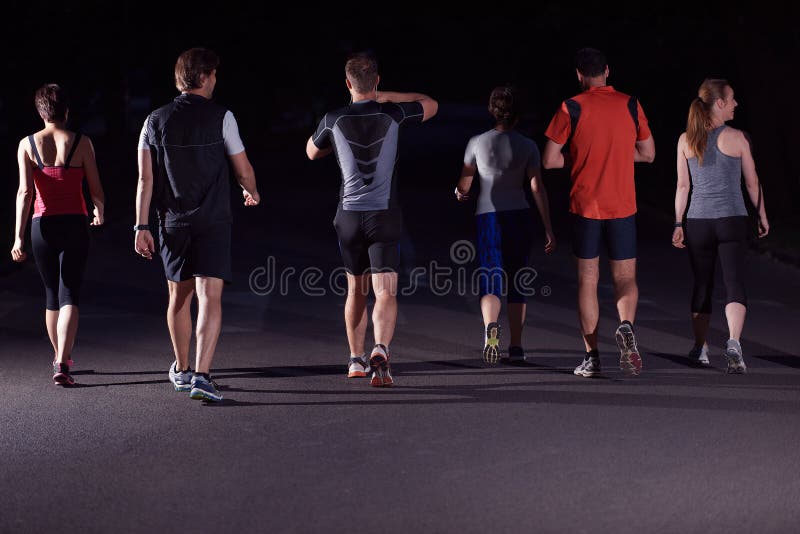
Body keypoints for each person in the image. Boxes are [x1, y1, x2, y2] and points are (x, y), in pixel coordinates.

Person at [135, 47, 260, 402]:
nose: (216, 80)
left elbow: (145, 180)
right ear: (204, 77)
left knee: (179, 297)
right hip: (213, 220)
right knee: (210, 297)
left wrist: (140, 226)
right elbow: (242, 168)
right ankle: (202, 377)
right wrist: (251, 190)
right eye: (214, 74)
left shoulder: (153, 120)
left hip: (172, 223)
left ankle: (182, 368)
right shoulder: (223, 117)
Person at [306, 52, 437, 387]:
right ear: (377, 81)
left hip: (349, 216)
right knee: (385, 292)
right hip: (384, 215)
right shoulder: (393, 113)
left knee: (356, 290)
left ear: (347, 84)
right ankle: (381, 348)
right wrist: (387, 96)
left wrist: (335, 144)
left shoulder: (333, 118)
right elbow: (431, 103)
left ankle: (355, 359)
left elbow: (311, 151)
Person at [542, 47, 655, 378]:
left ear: (579, 75)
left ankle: (592, 357)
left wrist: (582, 156)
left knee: (588, 281)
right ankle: (626, 325)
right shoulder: (631, 104)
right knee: (625, 278)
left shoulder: (571, 107)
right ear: (607, 71)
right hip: (622, 205)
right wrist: (616, 153)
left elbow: (549, 160)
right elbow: (648, 154)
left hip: (586, 207)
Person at [11, 83, 105, 386]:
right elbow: (95, 187)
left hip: (42, 226)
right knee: (70, 294)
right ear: (66, 110)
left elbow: (25, 193)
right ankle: (63, 361)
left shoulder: (27, 144)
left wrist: (18, 237)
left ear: (41, 112)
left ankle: (59, 359)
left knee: (52, 295)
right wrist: (99, 210)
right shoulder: (82, 142)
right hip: (74, 223)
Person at [672, 78, 768, 373]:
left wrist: (678, 222)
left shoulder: (686, 139)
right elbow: (752, 182)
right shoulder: (737, 138)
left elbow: (683, 186)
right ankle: (734, 343)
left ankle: (700, 348)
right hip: (731, 220)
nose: (736, 104)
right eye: (732, 99)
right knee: (734, 282)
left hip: (698, 222)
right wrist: (762, 215)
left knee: (702, 283)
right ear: (720, 103)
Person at [455, 86, 556, 364]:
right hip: (519, 215)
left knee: (490, 277)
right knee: (517, 281)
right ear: (518, 115)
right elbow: (536, 187)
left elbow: (465, 185)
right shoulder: (528, 146)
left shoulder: (477, 143)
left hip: (488, 215)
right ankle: (516, 347)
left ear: (492, 111)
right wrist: (548, 226)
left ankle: (491, 328)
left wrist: (459, 193)